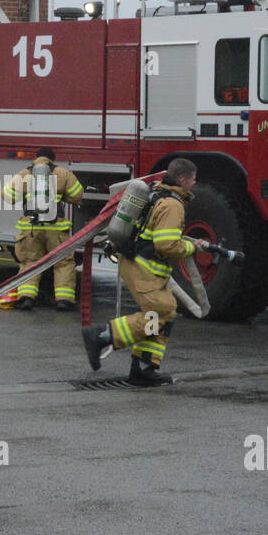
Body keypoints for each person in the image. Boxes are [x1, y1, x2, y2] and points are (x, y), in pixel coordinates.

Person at [81, 157, 201, 386]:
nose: (195, 184)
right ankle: (101, 336)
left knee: (164, 314)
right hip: (144, 267)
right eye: (193, 179)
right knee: (162, 314)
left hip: (139, 264)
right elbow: (165, 244)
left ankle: (143, 369)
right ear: (183, 180)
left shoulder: (156, 193)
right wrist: (190, 247)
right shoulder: (173, 205)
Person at [0, 148, 84, 311]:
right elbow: (78, 195)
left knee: (30, 262)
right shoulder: (63, 173)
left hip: (31, 228)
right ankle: (64, 300)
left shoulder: (24, 174)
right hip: (56, 228)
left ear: (36, 159)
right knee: (63, 263)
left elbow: (7, 195)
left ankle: (26, 298)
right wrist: (63, 195)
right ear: (52, 159)